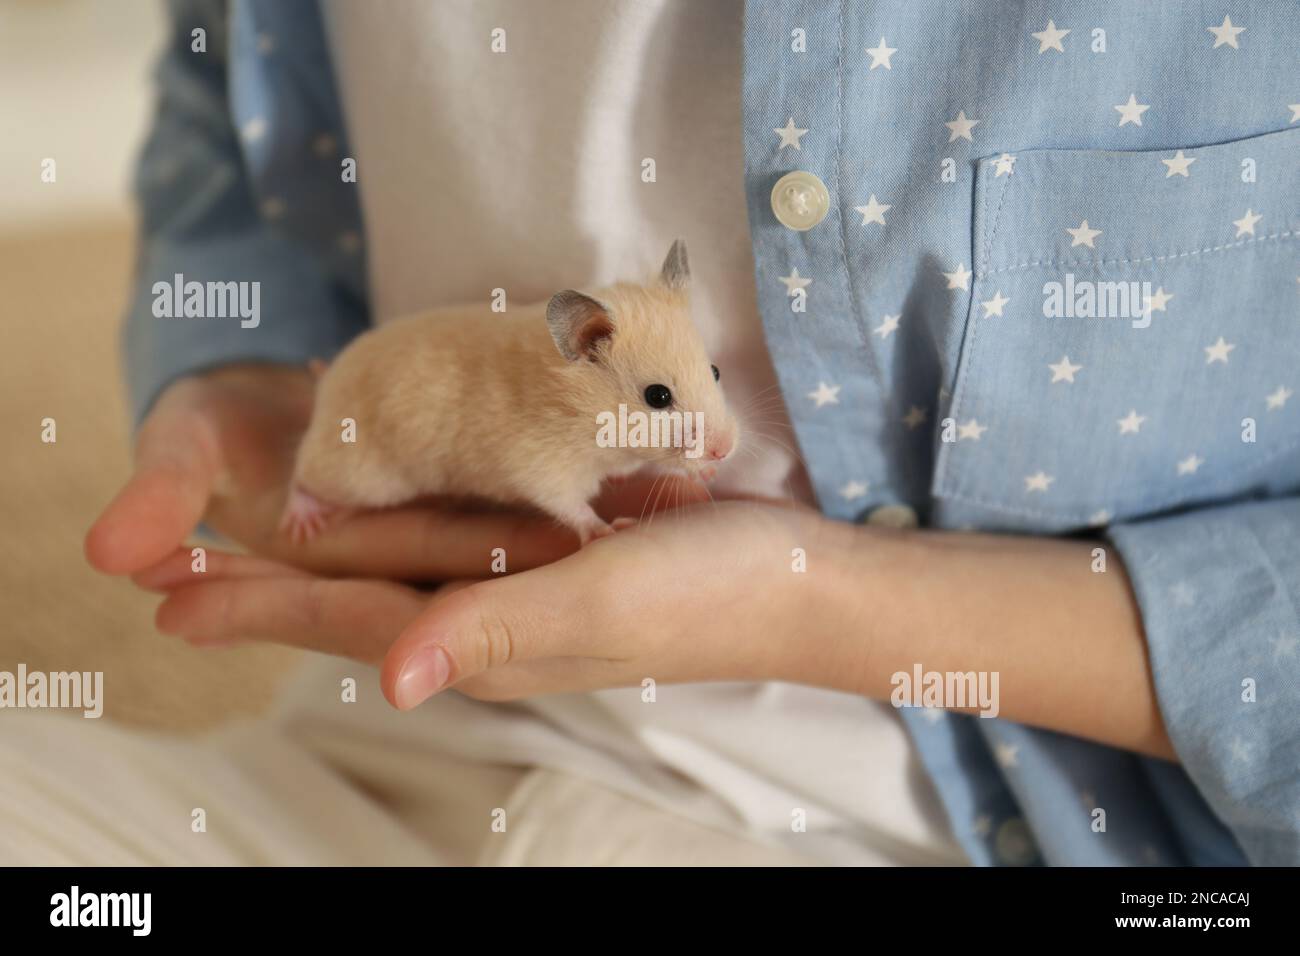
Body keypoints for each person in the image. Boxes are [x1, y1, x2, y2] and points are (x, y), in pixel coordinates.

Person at [42, 0, 1299, 865]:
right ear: (583, 345)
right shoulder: (555, 394)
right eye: (665, 402)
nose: (703, 428)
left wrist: (828, 607)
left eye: (697, 384)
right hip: (365, 762)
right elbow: (232, 78)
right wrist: (245, 352)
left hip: (905, 828)